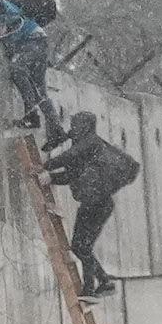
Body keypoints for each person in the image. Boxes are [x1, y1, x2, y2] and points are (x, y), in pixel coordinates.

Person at [38, 112, 141, 300]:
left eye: (75, 124)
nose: (72, 129)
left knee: (81, 247)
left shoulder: (91, 143)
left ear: (83, 126)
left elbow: (68, 158)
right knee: (79, 247)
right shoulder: (90, 151)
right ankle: (102, 283)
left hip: (97, 204)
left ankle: (91, 289)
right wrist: (52, 177)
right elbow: (72, 175)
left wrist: (46, 166)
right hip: (95, 203)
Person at [0, 0, 69, 152]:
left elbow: (1, 32)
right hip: (38, 41)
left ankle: (32, 114)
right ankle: (57, 131)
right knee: (40, 90)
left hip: (32, 43)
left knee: (17, 70)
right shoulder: (0, 7)